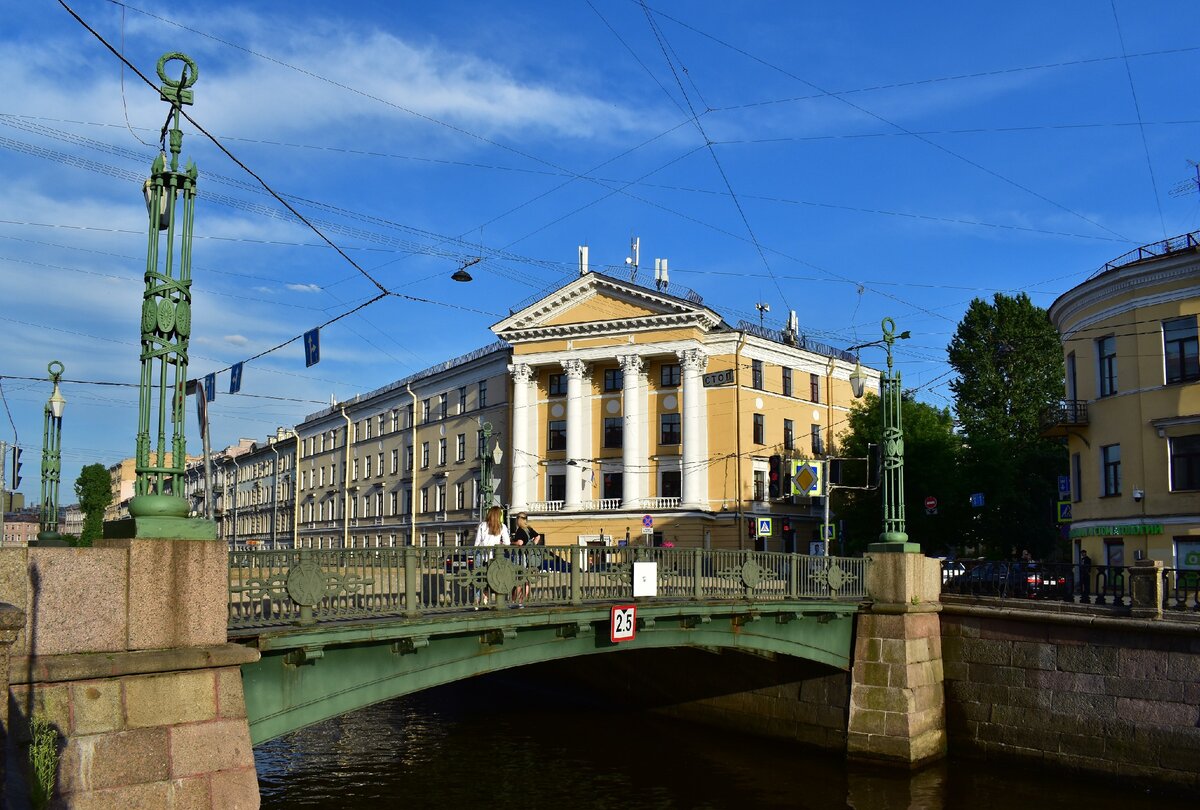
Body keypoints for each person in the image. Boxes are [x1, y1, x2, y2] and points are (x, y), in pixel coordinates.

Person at [472, 506, 509, 608]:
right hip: (495, 557)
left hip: (481, 555)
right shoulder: (502, 527)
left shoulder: (482, 526)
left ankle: (477, 602)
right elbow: (507, 543)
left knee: (478, 578)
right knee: (492, 578)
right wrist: (499, 543)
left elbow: (476, 543)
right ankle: (487, 599)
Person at [510, 512, 542, 607]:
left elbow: (520, 543)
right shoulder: (529, 529)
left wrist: (512, 542)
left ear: (518, 520)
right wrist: (532, 545)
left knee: (519, 580)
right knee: (527, 582)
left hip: (522, 558)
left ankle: (512, 602)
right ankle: (521, 602)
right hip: (530, 559)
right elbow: (538, 536)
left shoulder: (520, 530)